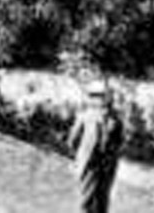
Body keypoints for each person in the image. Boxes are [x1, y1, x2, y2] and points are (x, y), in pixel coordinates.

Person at [68, 78, 125, 213]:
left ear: (108, 98)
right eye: (94, 96)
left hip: (106, 166)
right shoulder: (84, 117)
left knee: (102, 199)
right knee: (86, 200)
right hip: (89, 165)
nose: (99, 100)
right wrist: (81, 157)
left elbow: (119, 141)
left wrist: (111, 157)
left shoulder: (115, 120)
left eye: (102, 96)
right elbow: (73, 141)